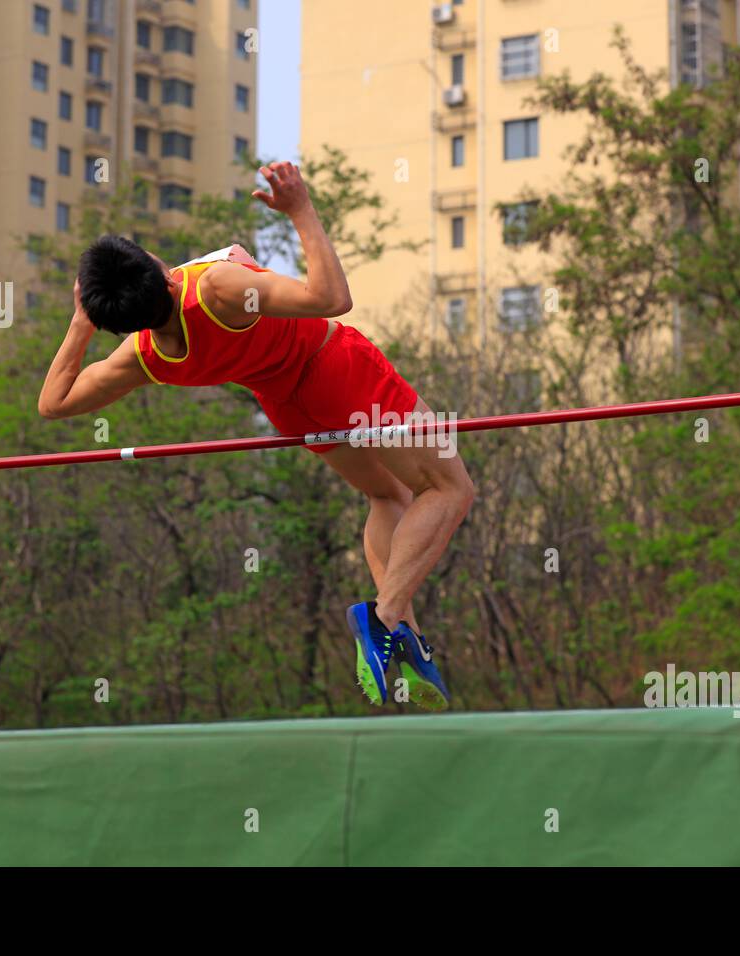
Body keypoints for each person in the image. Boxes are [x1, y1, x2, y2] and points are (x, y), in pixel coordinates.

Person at [37, 161, 475, 710]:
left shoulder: (147, 355)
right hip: (336, 369)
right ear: (157, 265)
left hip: (293, 409)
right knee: (449, 488)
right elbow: (331, 298)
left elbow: (53, 403)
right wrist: (300, 209)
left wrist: (82, 322)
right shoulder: (217, 289)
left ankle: (399, 635)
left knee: (388, 494)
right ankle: (384, 618)